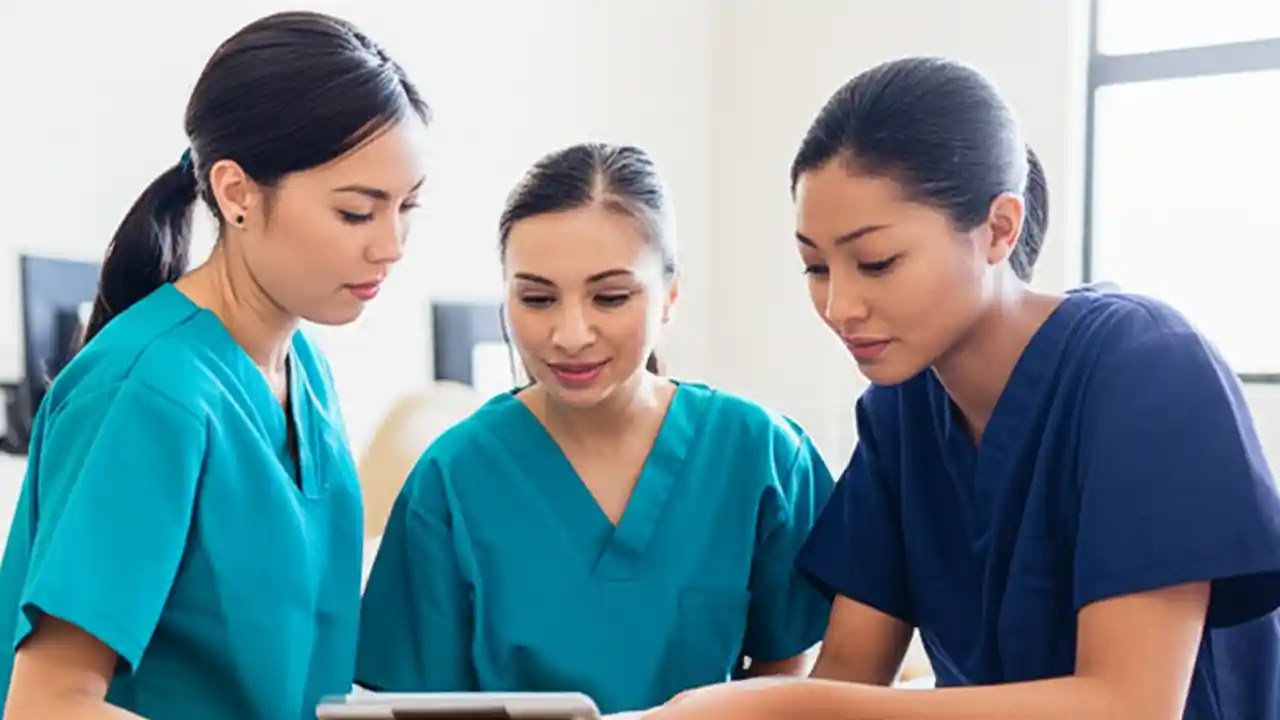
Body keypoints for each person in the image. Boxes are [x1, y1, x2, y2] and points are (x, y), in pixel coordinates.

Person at [644, 56, 1280, 720]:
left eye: (877, 262)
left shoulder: (1150, 370)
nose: (838, 305)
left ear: (999, 229)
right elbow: (852, 677)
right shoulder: (901, 415)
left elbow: (1128, 705)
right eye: (814, 266)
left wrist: (778, 704)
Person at [0, 11, 430, 720]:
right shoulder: (147, 392)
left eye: (408, 207)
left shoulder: (306, 375)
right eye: (357, 213)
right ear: (236, 193)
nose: (392, 245)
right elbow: (49, 707)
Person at [356, 143, 835, 715]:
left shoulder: (759, 456)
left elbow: (785, 666)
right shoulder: (452, 479)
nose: (571, 334)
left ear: (669, 297)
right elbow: (420, 702)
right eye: (537, 298)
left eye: (610, 297)